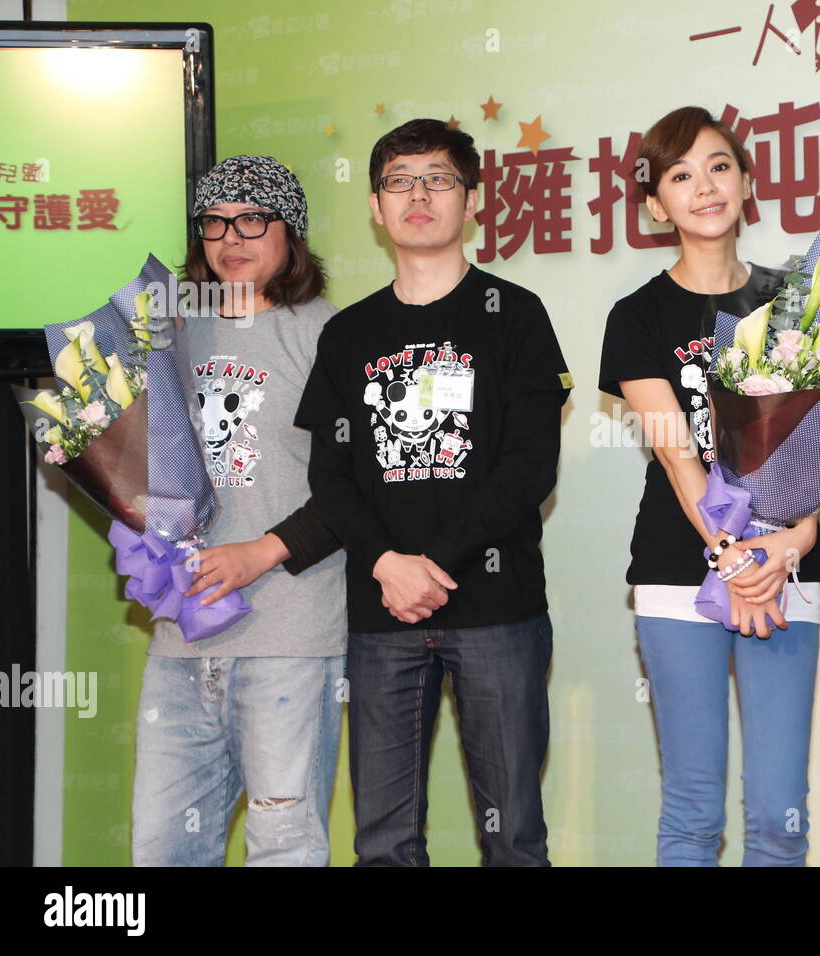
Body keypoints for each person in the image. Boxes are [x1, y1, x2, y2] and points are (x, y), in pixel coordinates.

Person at [293, 119, 571, 866]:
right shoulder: (349, 333)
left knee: (512, 834)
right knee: (383, 842)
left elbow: (528, 468)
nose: (419, 194)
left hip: (497, 609)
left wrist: (430, 566)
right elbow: (331, 475)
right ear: (377, 208)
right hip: (380, 616)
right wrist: (388, 563)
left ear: (472, 200)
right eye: (400, 180)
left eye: (439, 178)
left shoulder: (516, 316)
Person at [598, 106, 820, 866]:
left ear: (748, 182)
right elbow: (674, 455)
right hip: (678, 568)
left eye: (720, 165)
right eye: (681, 174)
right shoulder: (636, 316)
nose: (705, 186)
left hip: (786, 570)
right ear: (657, 204)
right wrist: (733, 553)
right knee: (693, 812)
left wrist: (797, 537)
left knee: (778, 814)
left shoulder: (796, 301)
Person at [131, 155, 347, 866]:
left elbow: (361, 488)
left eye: (254, 219)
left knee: (284, 849)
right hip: (181, 638)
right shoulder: (170, 332)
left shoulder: (332, 336)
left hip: (289, 633)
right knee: (162, 849)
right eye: (216, 221)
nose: (232, 237)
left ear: (292, 232)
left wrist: (262, 550)